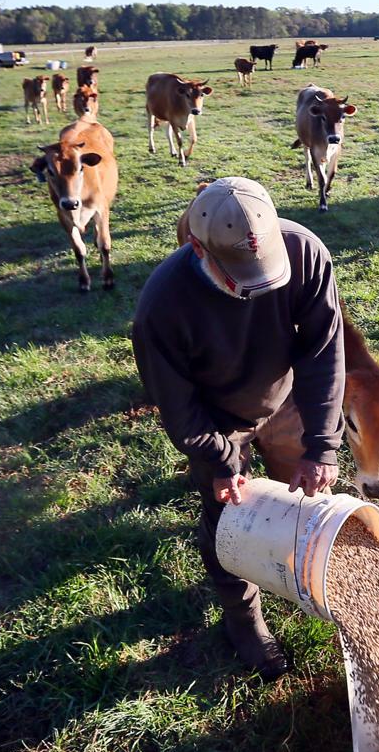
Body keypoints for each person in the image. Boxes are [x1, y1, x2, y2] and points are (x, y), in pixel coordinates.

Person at [132, 177, 344, 677]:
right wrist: (221, 459)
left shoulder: (307, 254)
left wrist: (322, 445)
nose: (257, 289)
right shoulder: (161, 307)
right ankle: (242, 614)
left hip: (286, 398)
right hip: (217, 418)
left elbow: (323, 352)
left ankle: (299, 573)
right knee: (228, 520)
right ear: (195, 246)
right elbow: (179, 409)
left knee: (308, 502)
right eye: (241, 277)